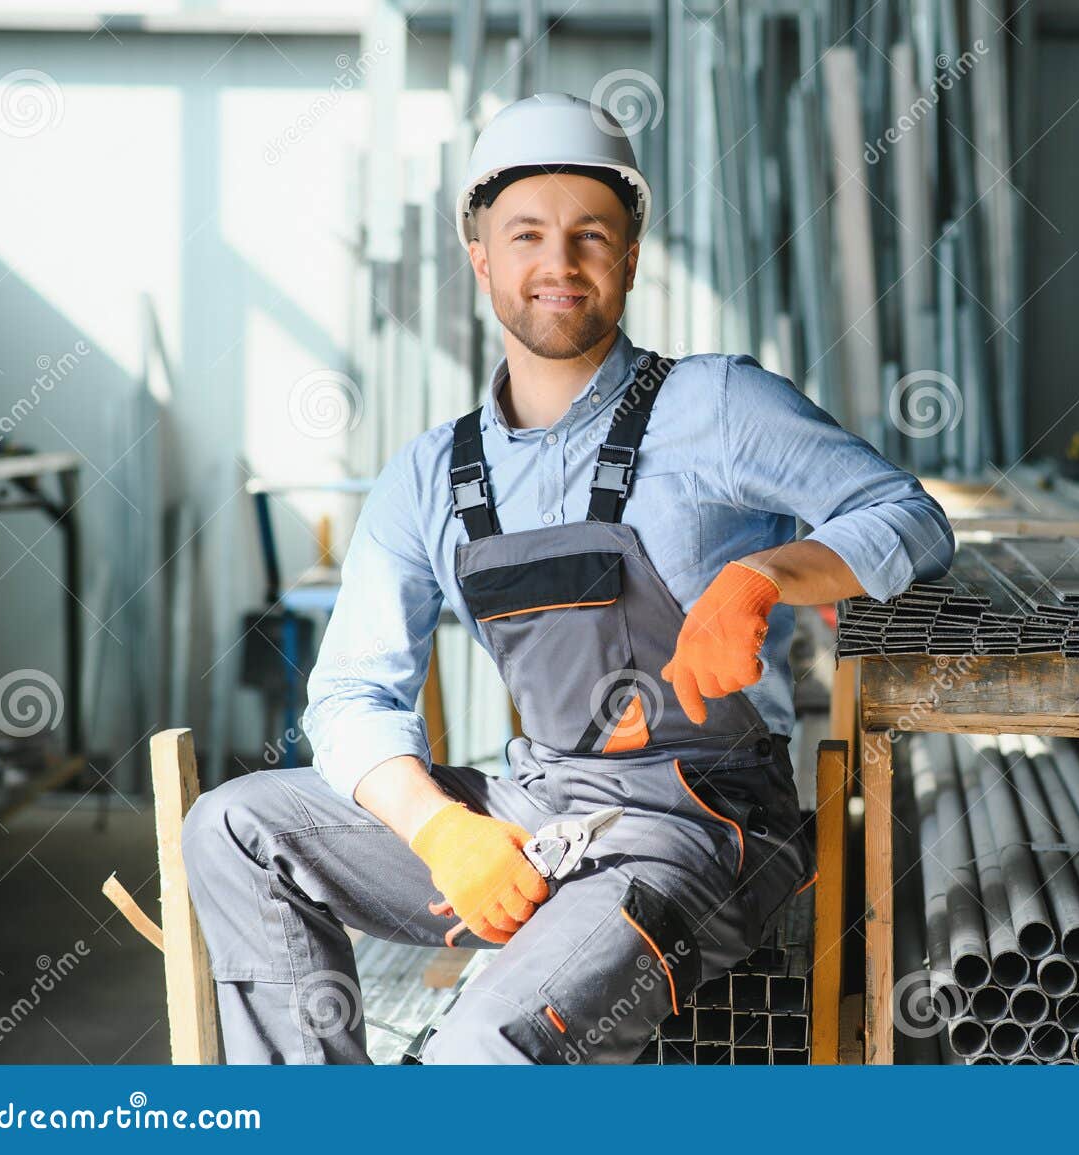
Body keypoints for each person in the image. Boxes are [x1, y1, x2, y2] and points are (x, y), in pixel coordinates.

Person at [182, 92, 956, 1063]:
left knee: (478, 1053)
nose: (558, 263)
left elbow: (911, 520)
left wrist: (765, 574)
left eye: (591, 235)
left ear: (629, 257)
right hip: (540, 806)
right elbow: (350, 692)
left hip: (697, 824)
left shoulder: (716, 404)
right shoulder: (431, 475)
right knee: (235, 826)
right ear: (483, 260)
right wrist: (442, 834)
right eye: (527, 235)